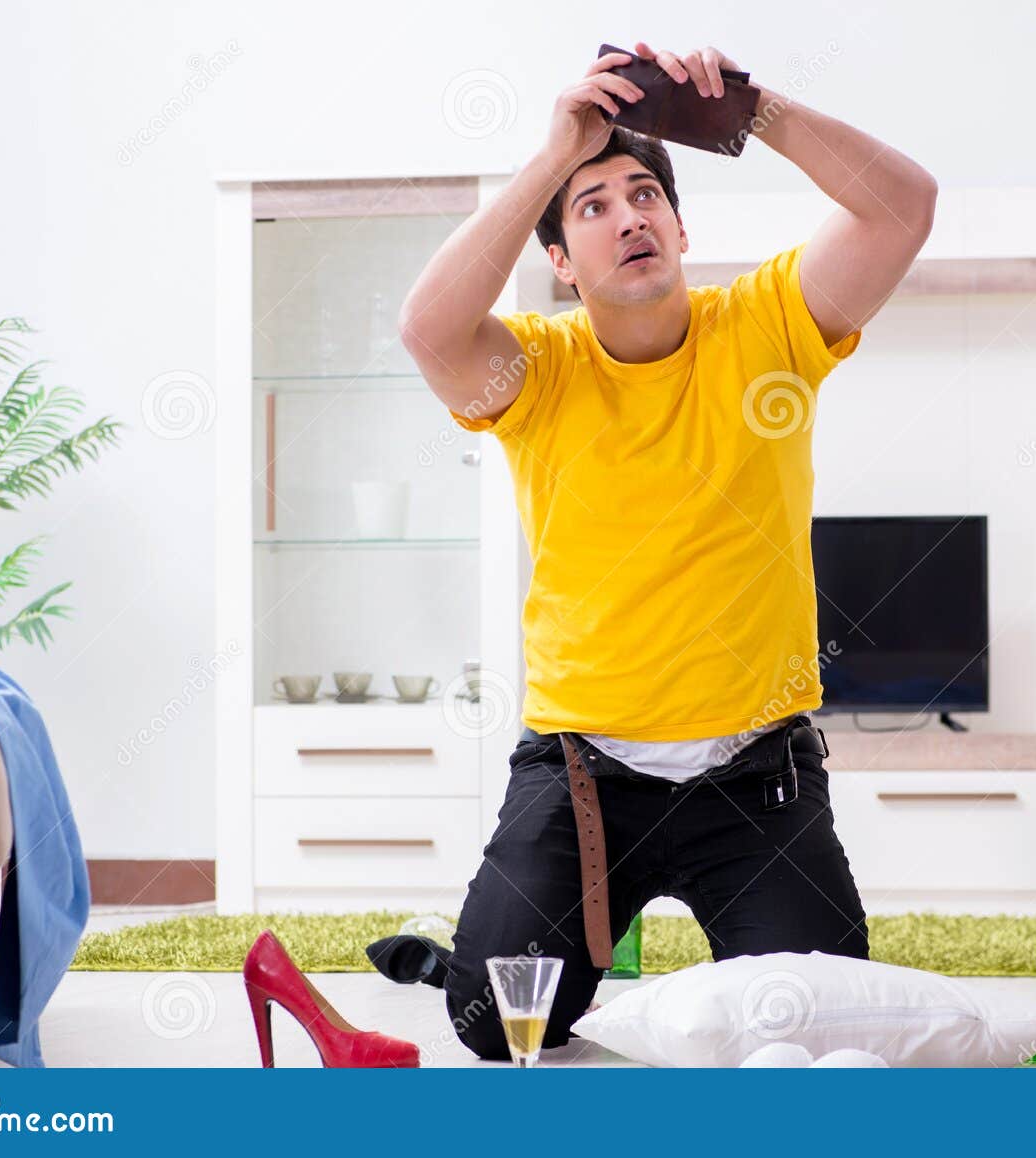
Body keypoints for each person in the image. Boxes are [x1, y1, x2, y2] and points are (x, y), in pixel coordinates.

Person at [393, 41, 937, 1061]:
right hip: (583, 775)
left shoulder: (770, 325)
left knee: (816, 1032)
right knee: (494, 1025)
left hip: (756, 774)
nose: (627, 216)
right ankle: (498, 956)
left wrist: (750, 110)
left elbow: (902, 205)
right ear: (558, 259)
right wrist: (556, 151)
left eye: (644, 193)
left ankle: (691, 974)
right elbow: (426, 329)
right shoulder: (535, 372)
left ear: (681, 226)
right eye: (590, 207)